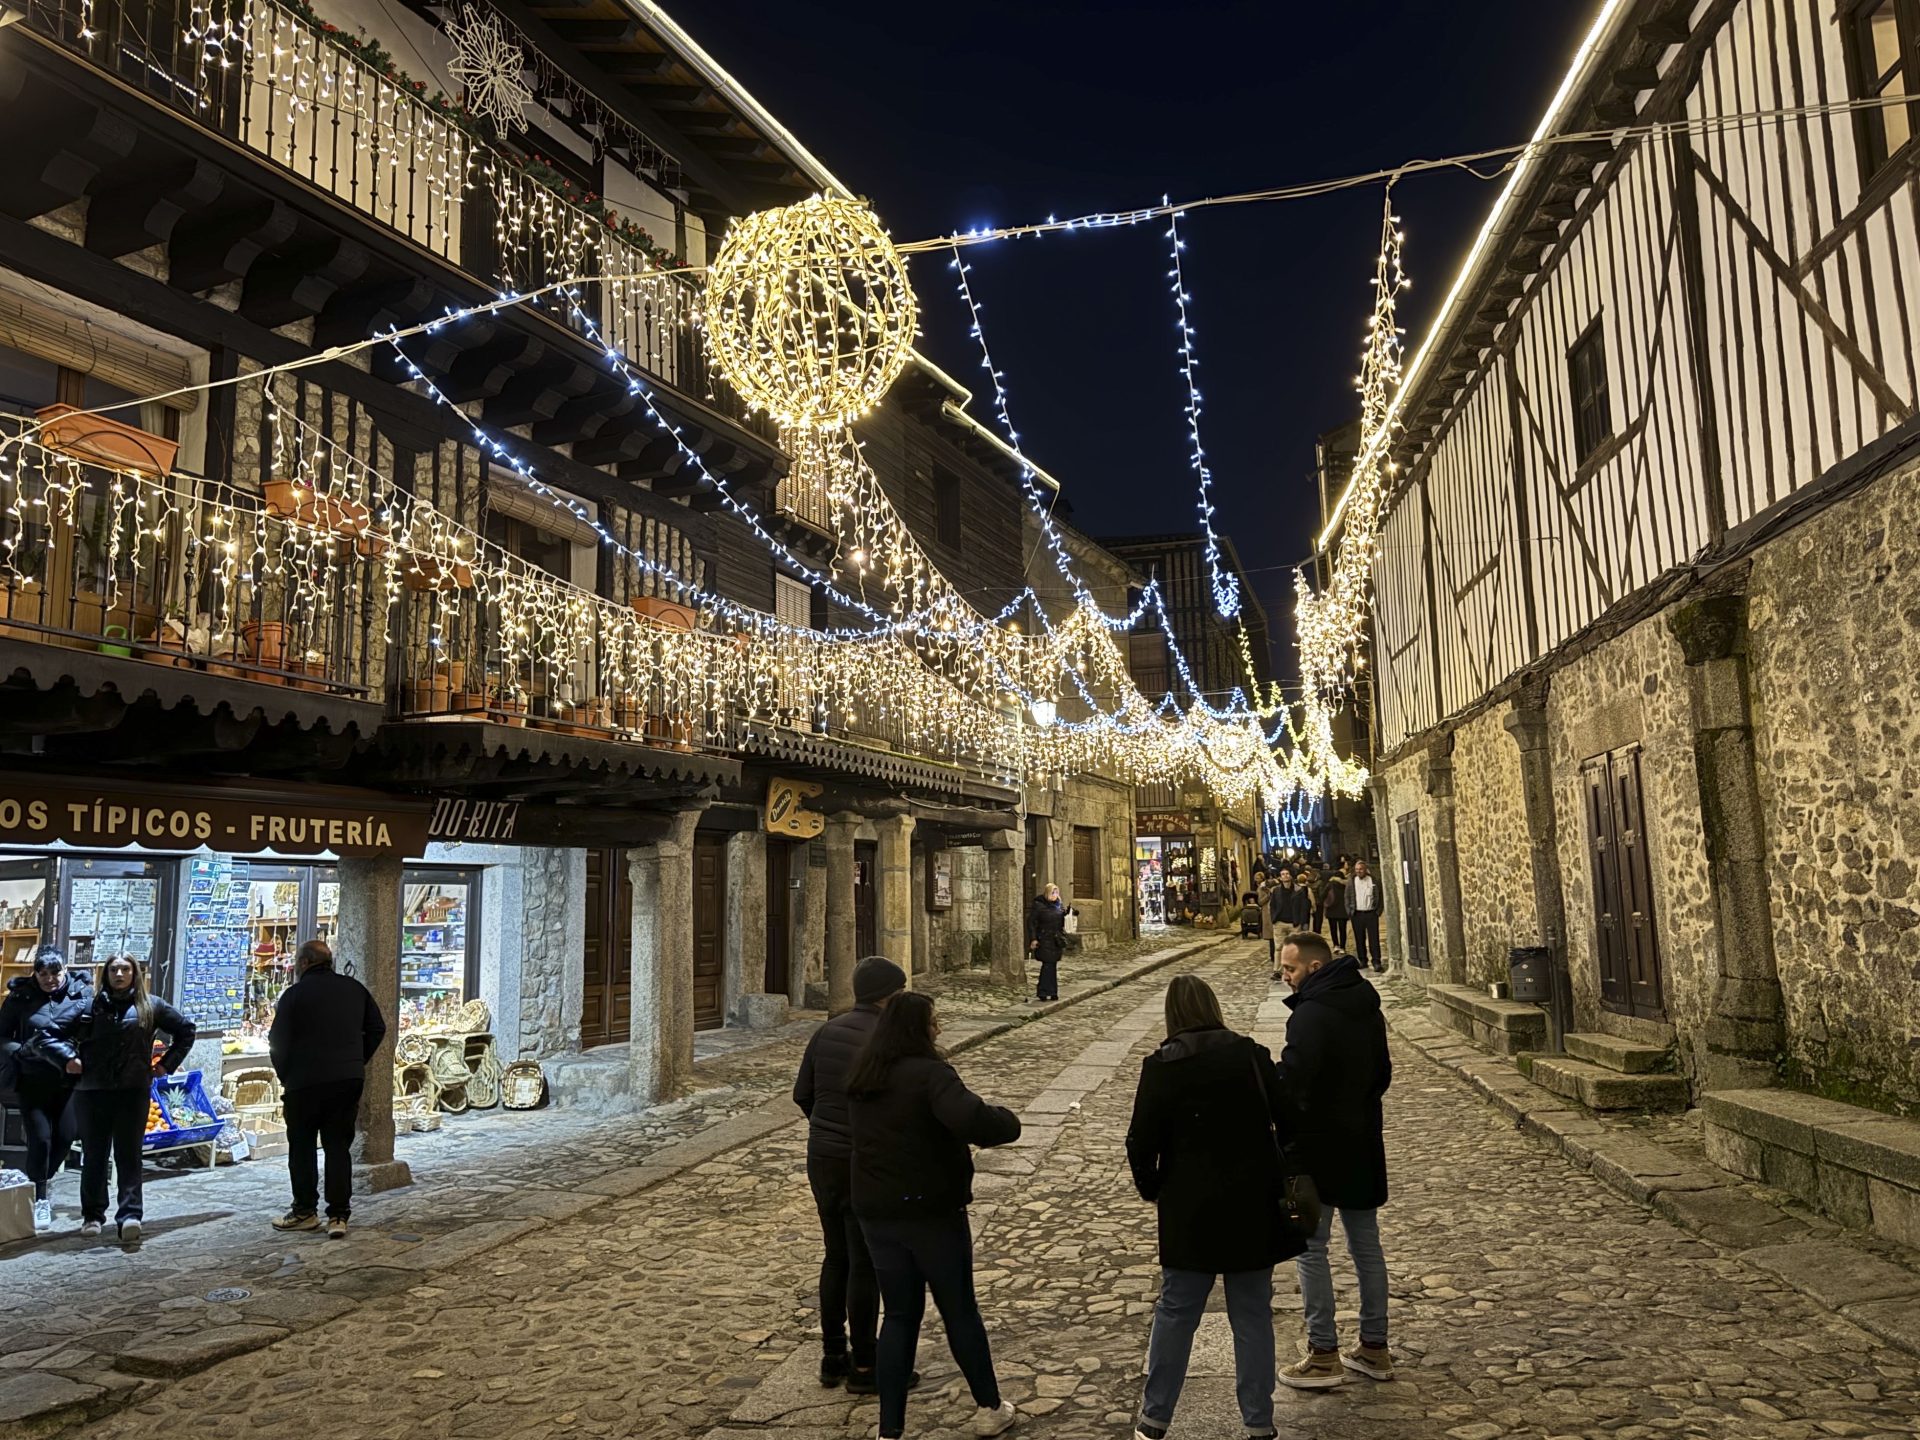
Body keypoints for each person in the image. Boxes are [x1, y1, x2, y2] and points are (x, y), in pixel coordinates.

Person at [1125, 975, 1304, 1440]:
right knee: (1251, 1313)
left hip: (1189, 1205)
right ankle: (1259, 1422)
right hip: (1252, 1199)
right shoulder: (1249, 1054)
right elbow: (1289, 1118)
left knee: (1177, 1310)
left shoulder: (1161, 1066)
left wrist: (1154, 1189)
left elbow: (1140, 1141)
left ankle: (1155, 1417)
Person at [848, 991, 1020, 1440]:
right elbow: (972, 1119)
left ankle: (890, 1428)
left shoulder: (865, 1076)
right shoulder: (930, 1075)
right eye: (934, 1020)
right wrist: (1005, 1121)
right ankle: (988, 1407)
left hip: (877, 1213)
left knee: (899, 1315)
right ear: (918, 1027)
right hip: (930, 1212)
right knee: (959, 1308)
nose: (938, 1027)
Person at [1274, 932, 1393, 1388]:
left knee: (1311, 1247)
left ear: (1315, 968)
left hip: (1318, 1147)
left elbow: (1296, 1084)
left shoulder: (1312, 1014)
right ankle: (1374, 1348)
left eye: (1290, 969)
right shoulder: (1367, 1007)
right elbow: (1382, 1074)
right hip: (1362, 1140)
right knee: (1366, 1246)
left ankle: (1324, 1354)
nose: (1285, 977)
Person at [793, 956, 904, 1392]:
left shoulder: (826, 1032)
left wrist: (827, 1129)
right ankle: (864, 1365)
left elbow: (803, 1094)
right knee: (864, 1263)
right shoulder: (890, 1039)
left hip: (823, 1158)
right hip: (865, 1161)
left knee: (835, 1255)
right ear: (891, 996)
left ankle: (832, 1356)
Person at [46, 955, 195, 1246]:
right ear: (106, 974)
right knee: (95, 1156)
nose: (119, 974)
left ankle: (130, 1215)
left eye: (125, 969)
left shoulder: (150, 1006)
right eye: (113, 969)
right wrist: (68, 1059)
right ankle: (92, 1215)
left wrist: (165, 1065)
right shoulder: (88, 1006)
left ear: (135, 973)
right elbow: (47, 1035)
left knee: (129, 1155)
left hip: (132, 1090)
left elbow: (185, 1031)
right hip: (92, 1092)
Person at [267, 939, 386, 1239]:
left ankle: (305, 1211)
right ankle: (338, 1216)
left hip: (303, 1083)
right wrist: (356, 1061)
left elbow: (277, 1042)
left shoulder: (293, 996)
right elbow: (377, 1028)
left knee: (303, 1147)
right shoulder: (354, 989)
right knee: (337, 1147)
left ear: (305, 963)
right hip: (345, 1081)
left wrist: (286, 1075)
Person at [0, 949, 91, 1231]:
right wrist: (23, 1051)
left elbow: (92, 1034)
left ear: (65, 970)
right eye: (43, 973)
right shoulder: (20, 998)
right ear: (35, 973)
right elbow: (1, 1036)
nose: (50, 979)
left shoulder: (82, 997)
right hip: (32, 1079)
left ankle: (42, 1181)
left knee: (64, 1137)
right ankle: (39, 1196)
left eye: (55, 973)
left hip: (69, 1081)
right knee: (40, 1139)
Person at [1026, 883, 1075, 1003]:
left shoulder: (1059, 906)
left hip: (1056, 940)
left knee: (1052, 966)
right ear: (1048, 893)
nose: (1055, 895)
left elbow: (1061, 919)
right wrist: (1033, 938)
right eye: (1053, 892)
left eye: (1057, 893)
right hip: (1044, 939)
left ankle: (1052, 991)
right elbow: (1031, 922)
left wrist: (1069, 913)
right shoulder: (1039, 905)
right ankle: (1043, 991)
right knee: (1047, 965)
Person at [1346, 860, 1384, 972]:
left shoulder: (1373, 880)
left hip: (1371, 913)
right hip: (1357, 914)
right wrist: (1349, 911)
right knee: (1359, 938)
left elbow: (1380, 896)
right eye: (1357, 870)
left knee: (1374, 939)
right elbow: (1347, 896)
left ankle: (1376, 961)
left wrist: (1378, 911)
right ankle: (1362, 960)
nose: (1358, 872)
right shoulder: (1352, 881)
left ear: (1365, 869)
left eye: (1361, 869)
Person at [1321, 865, 1351, 952]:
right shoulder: (1346, 885)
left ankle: (1335, 945)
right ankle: (1342, 946)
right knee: (1343, 930)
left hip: (1332, 909)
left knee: (1333, 929)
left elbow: (1322, 895)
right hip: (1343, 910)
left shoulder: (1330, 884)